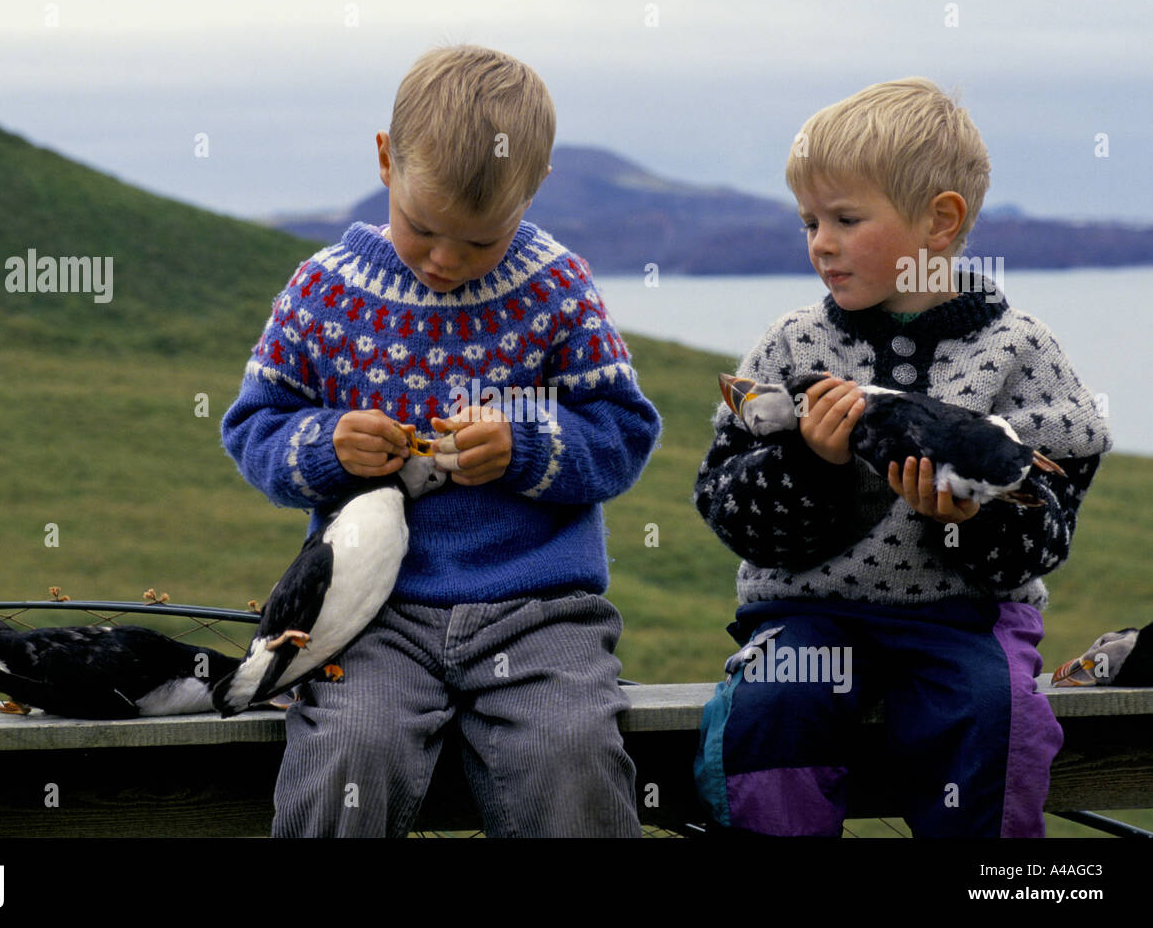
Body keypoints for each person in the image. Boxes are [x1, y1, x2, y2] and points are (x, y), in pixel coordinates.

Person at [221, 44, 661, 837]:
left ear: (534, 186)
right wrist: (326, 445)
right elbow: (254, 427)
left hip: (541, 616)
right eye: (422, 228)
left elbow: (622, 434)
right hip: (371, 618)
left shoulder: (558, 288)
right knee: (350, 748)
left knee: (570, 753)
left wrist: (527, 446)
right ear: (385, 160)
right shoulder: (323, 292)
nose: (445, 260)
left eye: (481, 241)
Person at [692, 78, 1112, 837]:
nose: (821, 242)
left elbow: (1047, 533)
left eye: (846, 219)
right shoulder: (792, 345)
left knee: (995, 714)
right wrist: (810, 466)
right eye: (810, 221)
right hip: (807, 613)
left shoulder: (1020, 352)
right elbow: (728, 507)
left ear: (940, 221)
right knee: (773, 707)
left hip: (965, 620)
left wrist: (971, 520)